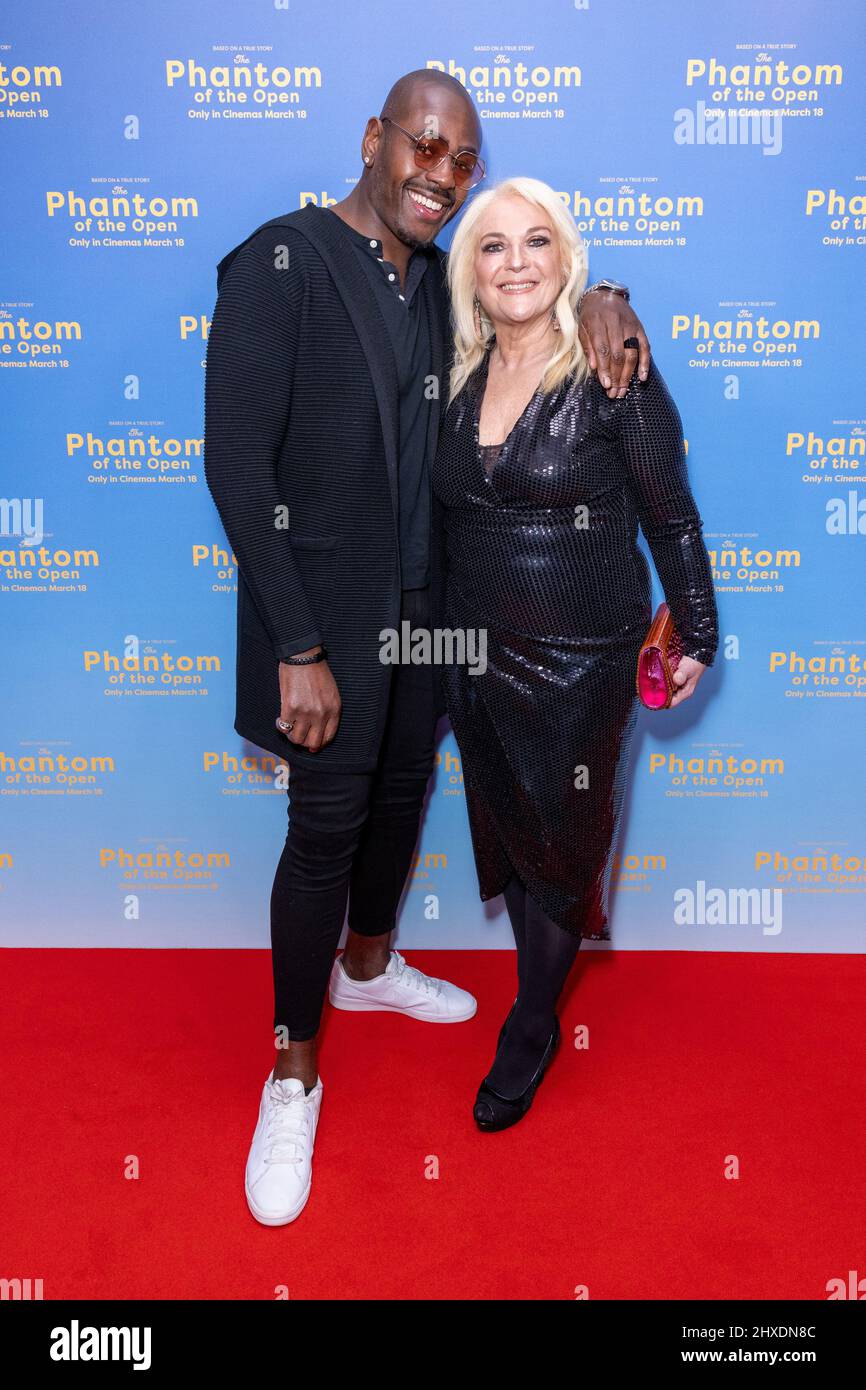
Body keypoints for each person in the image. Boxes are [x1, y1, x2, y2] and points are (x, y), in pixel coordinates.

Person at [204, 72, 652, 1225]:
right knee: (323, 832)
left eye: (460, 159)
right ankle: (293, 1066)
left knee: (400, 803)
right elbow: (236, 471)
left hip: (431, 628)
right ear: (373, 140)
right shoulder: (278, 261)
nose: (440, 174)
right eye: (424, 146)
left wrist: (606, 293)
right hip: (325, 631)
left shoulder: (429, 289)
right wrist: (297, 646)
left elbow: (527, 310)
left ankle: (366, 966)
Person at [432, 177, 719, 1132]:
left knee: (564, 854)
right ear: (470, 274)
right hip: (475, 654)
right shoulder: (456, 375)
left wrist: (700, 632)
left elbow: (672, 516)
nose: (516, 262)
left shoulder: (612, 369)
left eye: (537, 243)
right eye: (493, 246)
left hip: (581, 664)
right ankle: (534, 993)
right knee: (513, 837)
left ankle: (530, 1023)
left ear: (568, 261)